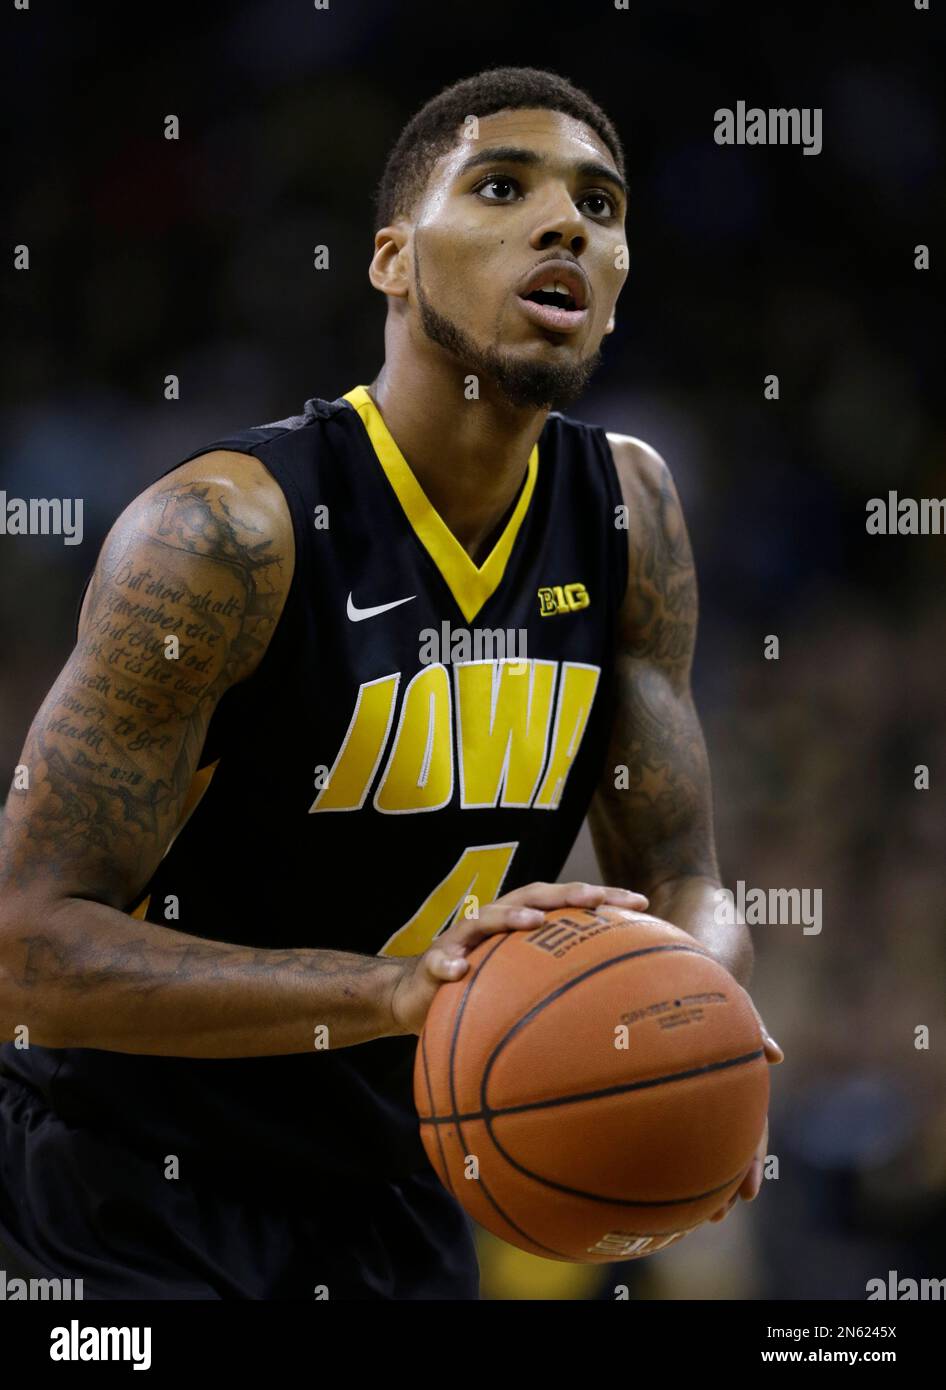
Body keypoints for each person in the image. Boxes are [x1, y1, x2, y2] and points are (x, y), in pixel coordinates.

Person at [0, 66, 781, 1300]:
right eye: (501, 186)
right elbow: (21, 953)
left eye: (601, 202)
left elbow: (685, 881)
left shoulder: (631, 514)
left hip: (402, 1187)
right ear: (392, 262)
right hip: (122, 1197)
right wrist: (390, 992)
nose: (567, 222)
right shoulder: (222, 535)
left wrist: (700, 1033)